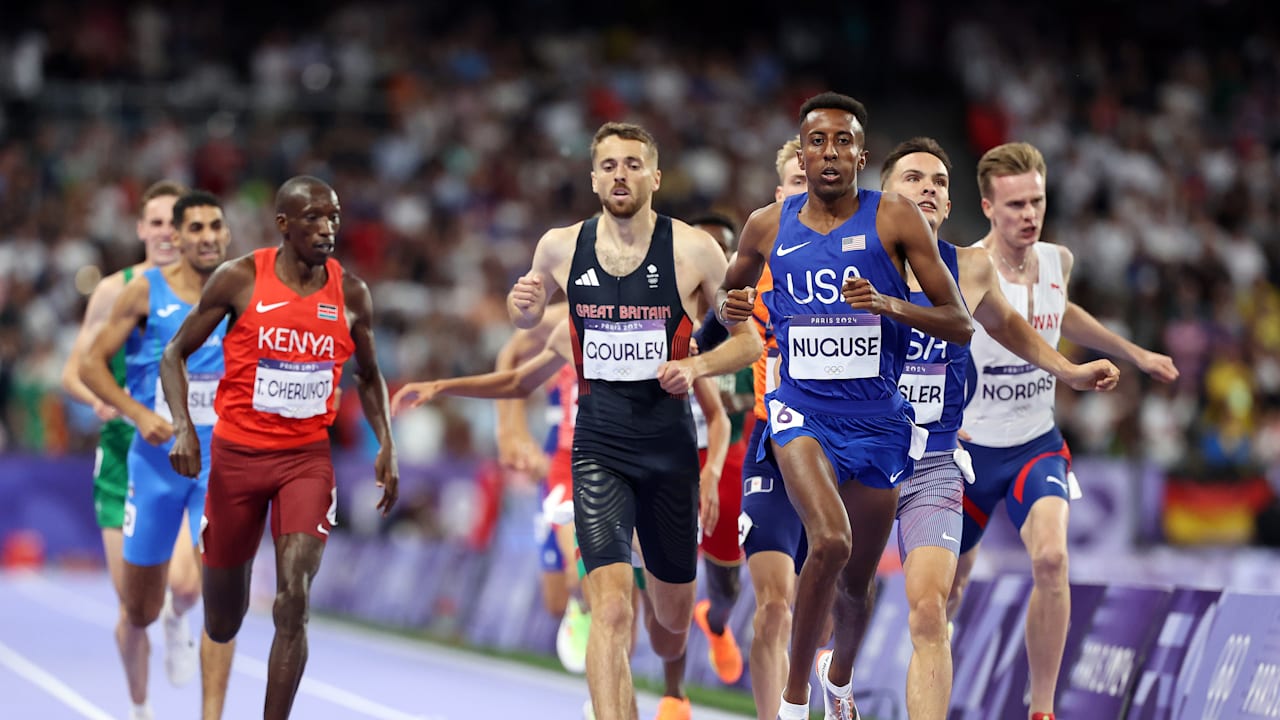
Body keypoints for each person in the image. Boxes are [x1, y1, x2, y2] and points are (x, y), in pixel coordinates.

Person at [813, 137, 1121, 720]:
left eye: (938, 181)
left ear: (950, 202)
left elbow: (1013, 329)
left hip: (934, 462)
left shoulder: (972, 269)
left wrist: (1070, 371)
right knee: (850, 598)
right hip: (861, 460)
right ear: (882, 196)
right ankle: (839, 678)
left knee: (932, 611)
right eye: (913, 178)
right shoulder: (840, 267)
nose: (928, 188)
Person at [715, 92, 973, 720]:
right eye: (817, 142)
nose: (829, 153)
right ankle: (794, 700)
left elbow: (960, 324)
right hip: (800, 413)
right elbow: (728, 294)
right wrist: (729, 308)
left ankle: (838, 679)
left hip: (879, 422)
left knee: (856, 587)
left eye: (843, 142)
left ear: (861, 155)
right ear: (802, 155)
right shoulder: (766, 225)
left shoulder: (895, 218)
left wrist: (889, 305)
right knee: (829, 541)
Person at [505, 121, 761, 720]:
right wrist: (522, 311)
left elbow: (748, 342)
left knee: (669, 624)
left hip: (669, 449)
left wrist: (695, 365)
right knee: (613, 608)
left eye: (633, 164)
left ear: (656, 176)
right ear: (594, 179)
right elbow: (528, 318)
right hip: (598, 444)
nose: (620, 175)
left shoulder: (694, 250)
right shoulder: (558, 247)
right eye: (609, 165)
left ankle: (674, 661)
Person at [947, 142, 1179, 720]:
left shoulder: (1058, 260)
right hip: (970, 452)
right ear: (987, 207)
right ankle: (928, 690)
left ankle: (1043, 711)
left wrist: (1134, 352)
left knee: (1052, 561)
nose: (1029, 215)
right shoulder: (966, 269)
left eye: (1037, 201)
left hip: (1035, 443)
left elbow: (1061, 311)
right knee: (947, 592)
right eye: (1015, 205)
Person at [159, 176, 399, 720]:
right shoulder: (240, 278)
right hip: (237, 459)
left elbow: (368, 376)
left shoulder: (351, 294)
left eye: (333, 216)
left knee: (294, 599)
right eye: (313, 218)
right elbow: (174, 354)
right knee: (224, 620)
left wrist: (387, 441)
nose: (327, 228)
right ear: (284, 225)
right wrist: (183, 428)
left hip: (305, 460)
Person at [78, 190, 237, 720]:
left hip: (217, 465)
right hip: (153, 464)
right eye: (194, 228)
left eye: (215, 226)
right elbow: (88, 365)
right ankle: (143, 693)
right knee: (138, 610)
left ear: (227, 233)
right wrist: (136, 414)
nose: (206, 237)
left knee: (210, 594)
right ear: (174, 236)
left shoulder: (242, 290)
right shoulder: (140, 291)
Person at [60, 180, 203, 719]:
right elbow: (74, 373)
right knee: (132, 611)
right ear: (142, 229)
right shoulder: (115, 289)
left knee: (185, 584)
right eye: (156, 222)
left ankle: (179, 616)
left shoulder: (207, 289)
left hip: (184, 453)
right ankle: (140, 709)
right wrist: (106, 402)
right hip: (125, 456)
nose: (166, 232)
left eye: (175, 222)